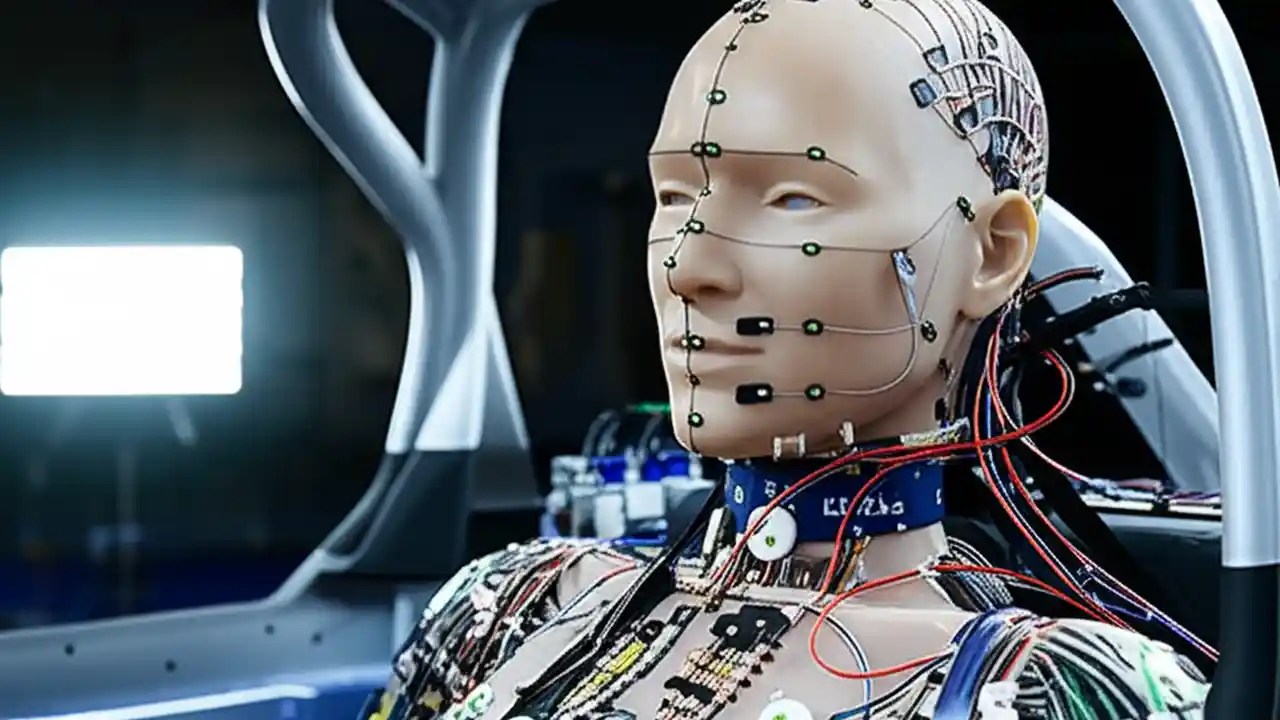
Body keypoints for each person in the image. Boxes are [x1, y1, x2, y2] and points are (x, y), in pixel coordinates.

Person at [365, 1, 1212, 717]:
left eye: (793, 198)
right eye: (675, 196)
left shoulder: (1047, 689)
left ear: (991, 254)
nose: (690, 265)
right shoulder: (502, 608)